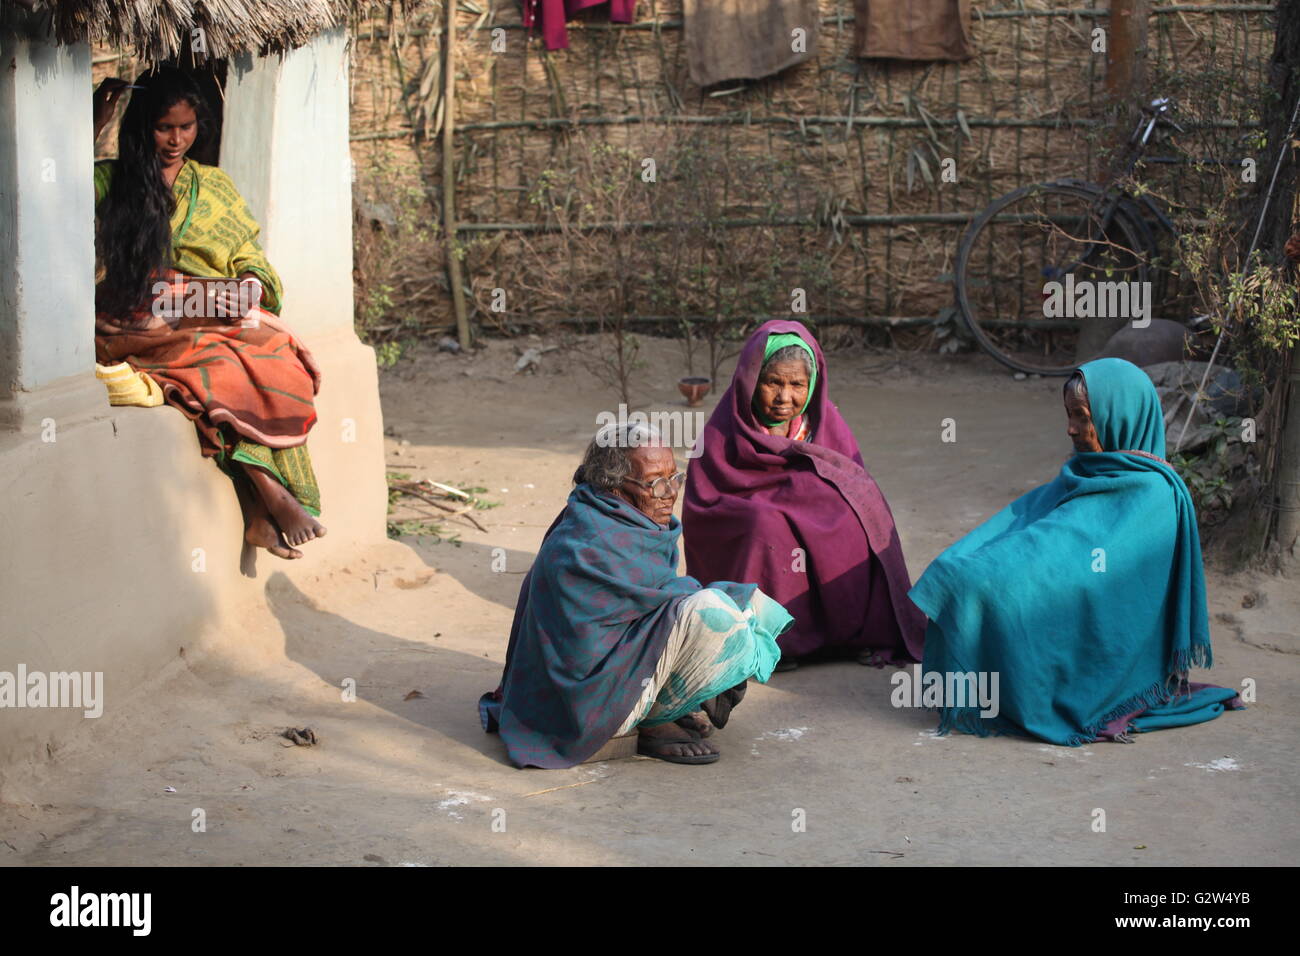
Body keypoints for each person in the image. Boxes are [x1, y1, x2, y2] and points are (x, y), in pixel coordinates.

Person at [909, 358, 1243, 745]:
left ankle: (1019, 694)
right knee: (953, 572)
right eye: (1069, 415)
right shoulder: (1085, 469)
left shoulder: (1154, 494)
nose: (1071, 429)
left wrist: (1008, 575)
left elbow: (1091, 569)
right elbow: (1034, 521)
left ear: (1120, 416)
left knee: (982, 589)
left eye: (1082, 417)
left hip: (1078, 595)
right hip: (1050, 564)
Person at [91, 67, 325, 560]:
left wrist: (248, 285)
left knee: (280, 352)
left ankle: (262, 513)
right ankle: (273, 498)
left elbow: (248, 254)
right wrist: (96, 121)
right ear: (143, 125)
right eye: (164, 127)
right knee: (220, 367)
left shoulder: (213, 184)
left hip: (204, 308)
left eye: (186, 127)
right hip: (136, 317)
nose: (176, 140)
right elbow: (50, 193)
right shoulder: (111, 179)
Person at [479, 424, 794, 768]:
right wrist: (700, 600)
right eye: (655, 483)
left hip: (622, 672)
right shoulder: (583, 543)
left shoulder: (630, 521)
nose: (669, 493)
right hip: (584, 705)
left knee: (746, 604)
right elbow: (588, 651)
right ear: (614, 487)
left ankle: (661, 706)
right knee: (712, 611)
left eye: (674, 478)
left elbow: (648, 610)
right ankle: (652, 722)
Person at [682, 320, 926, 671]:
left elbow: (854, 482)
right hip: (760, 523)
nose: (785, 397)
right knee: (764, 523)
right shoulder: (722, 433)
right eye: (772, 382)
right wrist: (774, 505)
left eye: (797, 384)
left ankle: (855, 634)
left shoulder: (825, 423)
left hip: (813, 521)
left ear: (812, 385)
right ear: (750, 380)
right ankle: (775, 640)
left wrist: (815, 502)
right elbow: (705, 506)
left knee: (856, 518)